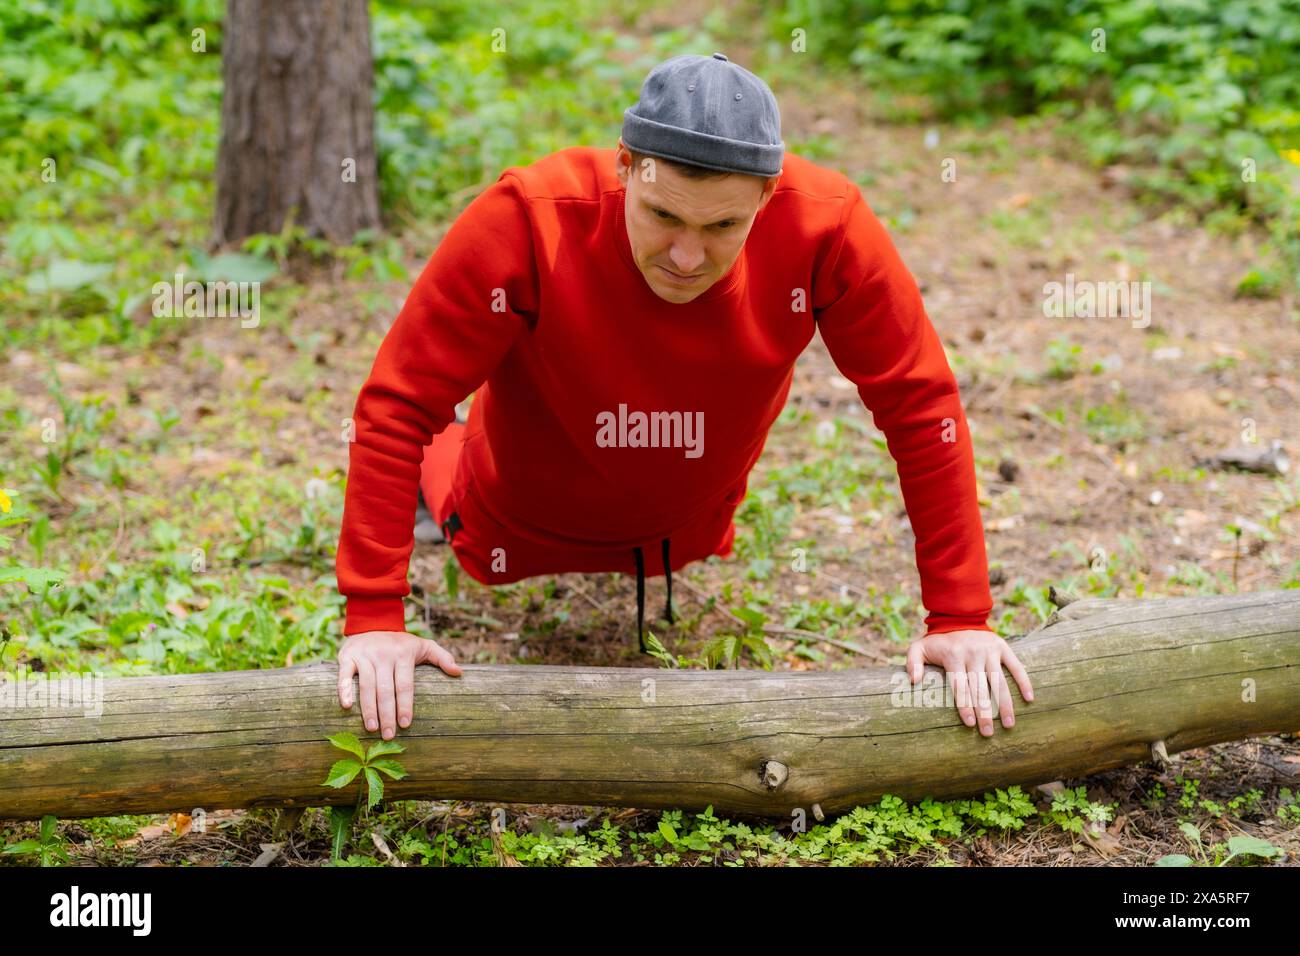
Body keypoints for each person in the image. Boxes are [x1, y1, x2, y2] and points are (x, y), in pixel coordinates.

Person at [334, 52, 1033, 744]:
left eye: (723, 226)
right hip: (508, 522)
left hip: (690, 530)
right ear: (625, 165)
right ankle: (440, 483)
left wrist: (961, 618)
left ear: (768, 193)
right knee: (450, 464)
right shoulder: (530, 216)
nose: (687, 257)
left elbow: (922, 405)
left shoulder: (827, 226)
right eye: (664, 214)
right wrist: (373, 618)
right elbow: (397, 404)